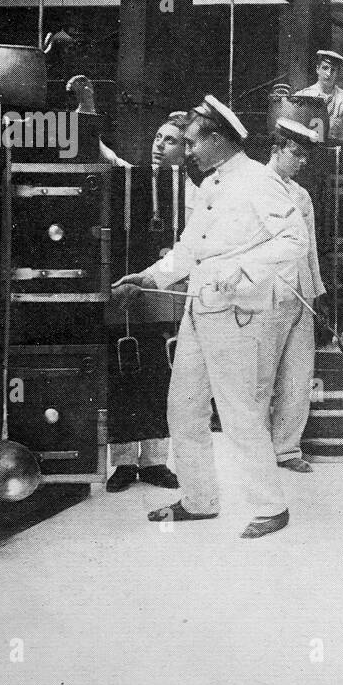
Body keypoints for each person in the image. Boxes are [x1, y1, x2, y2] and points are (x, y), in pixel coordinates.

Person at [112, 94, 309, 540]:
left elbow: (293, 241)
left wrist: (240, 274)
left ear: (217, 139)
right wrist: (146, 277)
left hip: (237, 314)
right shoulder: (214, 185)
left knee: (239, 413)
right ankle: (199, 500)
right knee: (182, 407)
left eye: (193, 142)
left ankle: (271, 507)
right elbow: (189, 249)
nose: (189, 150)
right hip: (199, 311)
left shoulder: (258, 181)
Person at [104, 113, 188, 493]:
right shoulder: (132, 180)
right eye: (157, 136)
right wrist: (86, 107)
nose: (159, 144)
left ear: (186, 152)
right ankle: (122, 464)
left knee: (160, 377)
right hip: (123, 295)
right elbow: (104, 154)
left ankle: (155, 462)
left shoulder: (194, 193)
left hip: (165, 298)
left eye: (170, 141)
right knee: (123, 375)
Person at [265, 134, 326, 475]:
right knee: (261, 377)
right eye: (296, 153)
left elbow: (311, 248)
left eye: (306, 156)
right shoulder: (255, 187)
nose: (302, 162)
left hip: (301, 294)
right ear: (275, 150)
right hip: (267, 294)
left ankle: (287, 449)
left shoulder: (301, 194)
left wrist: (316, 293)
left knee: (298, 376)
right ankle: (258, 450)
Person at [294, 50, 343, 144]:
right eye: (325, 68)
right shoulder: (303, 96)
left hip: (333, 153)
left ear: (337, 73)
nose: (328, 74)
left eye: (333, 70)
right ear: (317, 69)